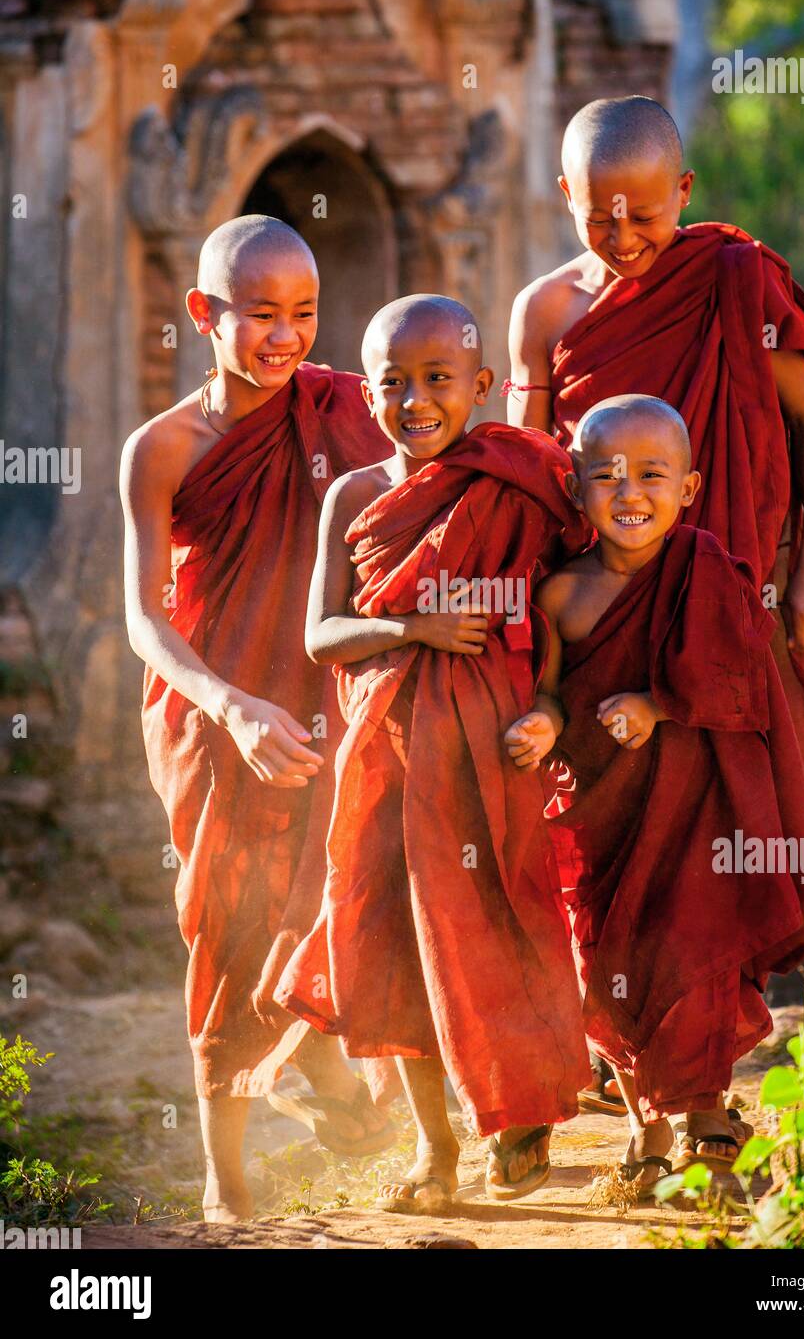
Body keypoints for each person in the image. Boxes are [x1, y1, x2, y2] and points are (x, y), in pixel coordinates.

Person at [507, 94, 804, 818]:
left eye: (644, 216)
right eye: (597, 217)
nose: (621, 238)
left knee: (732, 792)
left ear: (684, 191)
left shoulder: (730, 279)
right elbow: (533, 459)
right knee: (602, 795)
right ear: (564, 196)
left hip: (732, 579)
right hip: (599, 593)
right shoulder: (545, 310)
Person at [274, 294, 591, 1213]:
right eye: (391, 383)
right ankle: (433, 1148)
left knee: (512, 922)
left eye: (437, 380)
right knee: (399, 947)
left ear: (482, 386)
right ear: (365, 393)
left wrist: (551, 706)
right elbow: (320, 637)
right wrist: (410, 625)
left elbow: (566, 602)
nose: (414, 400)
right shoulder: (356, 494)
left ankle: (522, 1111)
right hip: (390, 753)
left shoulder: (523, 477)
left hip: (495, 751)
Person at [120, 215, 393, 1222]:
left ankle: (327, 1077)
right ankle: (224, 1179)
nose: (287, 337)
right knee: (230, 925)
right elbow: (145, 617)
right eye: (262, 315)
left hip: (323, 700)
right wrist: (229, 706)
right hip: (212, 712)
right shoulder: (162, 448)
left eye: (305, 315)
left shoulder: (344, 410)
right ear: (204, 313)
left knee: (327, 894)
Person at [505, 395, 804, 1197]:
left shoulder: (710, 573)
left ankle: (707, 1123)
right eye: (606, 475)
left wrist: (658, 706)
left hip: (701, 816)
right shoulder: (558, 595)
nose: (630, 492)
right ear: (576, 489)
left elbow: (744, 687)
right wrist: (542, 725)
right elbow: (547, 692)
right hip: (598, 816)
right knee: (608, 961)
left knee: (693, 958)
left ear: (688, 489)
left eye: (652, 474)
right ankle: (642, 1128)